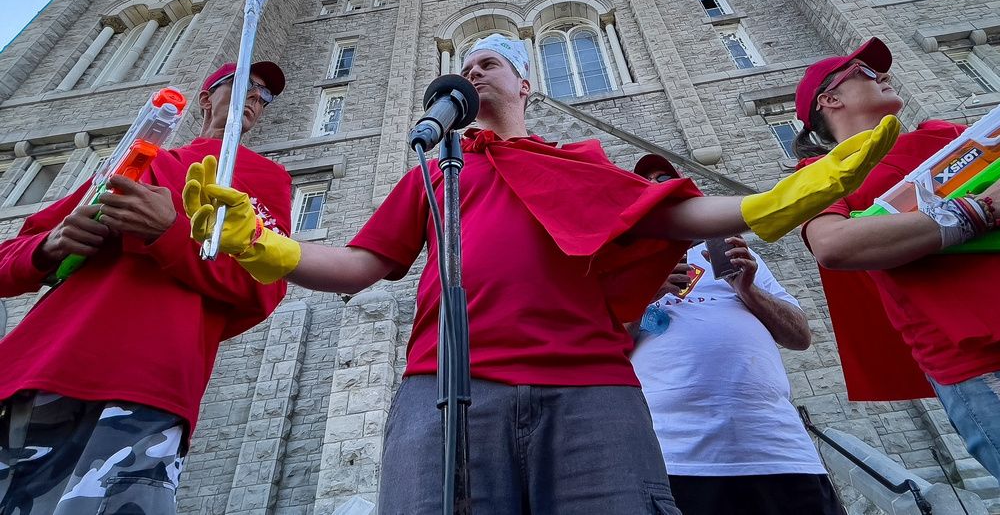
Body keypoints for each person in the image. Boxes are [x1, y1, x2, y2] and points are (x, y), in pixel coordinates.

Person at [182, 35, 898, 515]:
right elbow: (360, 265)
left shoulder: (582, 162)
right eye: (464, 63)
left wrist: (772, 203)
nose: (473, 70)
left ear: (525, 83)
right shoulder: (435, 173)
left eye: (488, 61)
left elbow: (674, 217)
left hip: (590, 392)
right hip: (445, 391)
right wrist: (267, 246)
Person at [0, 61, 291, 515]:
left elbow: (263, 286)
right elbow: (9, 258)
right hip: (36, 369)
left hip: (147, 383)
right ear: (204, 99)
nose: (254, 96)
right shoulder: (137, 161)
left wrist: (171, 233)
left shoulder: (266, 180)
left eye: (263, 94)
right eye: (241, 85)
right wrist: (49, 246)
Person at [796, 37, 1000, 482]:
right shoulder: (816, 176)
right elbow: (835, 244)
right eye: (867, 73)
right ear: (830, 99)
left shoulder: (949, 135)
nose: (884, 74)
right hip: (978, 358)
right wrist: (982, 210)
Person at [631, 154, 844, 515]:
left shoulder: (735, 254)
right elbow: (600, 343)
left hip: (778, 448)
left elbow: (800, 336)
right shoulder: (623, 265)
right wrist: (646, 292)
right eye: (647, 182)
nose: (657, 186)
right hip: (676, 455)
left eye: (665, 178)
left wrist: (748, 290)